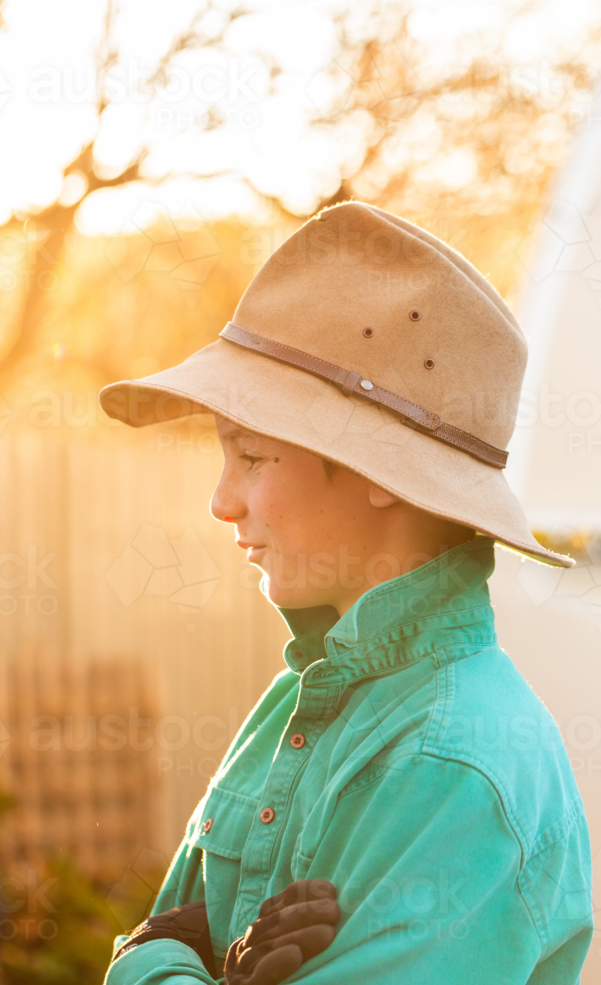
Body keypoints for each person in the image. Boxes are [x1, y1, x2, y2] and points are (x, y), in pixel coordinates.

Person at [99, 202, 593, 984]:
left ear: (375, 473)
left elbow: (161, 939)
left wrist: (147, 962)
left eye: (252, 457)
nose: (220, 502)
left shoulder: (451, 767)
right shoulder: (306, 695)